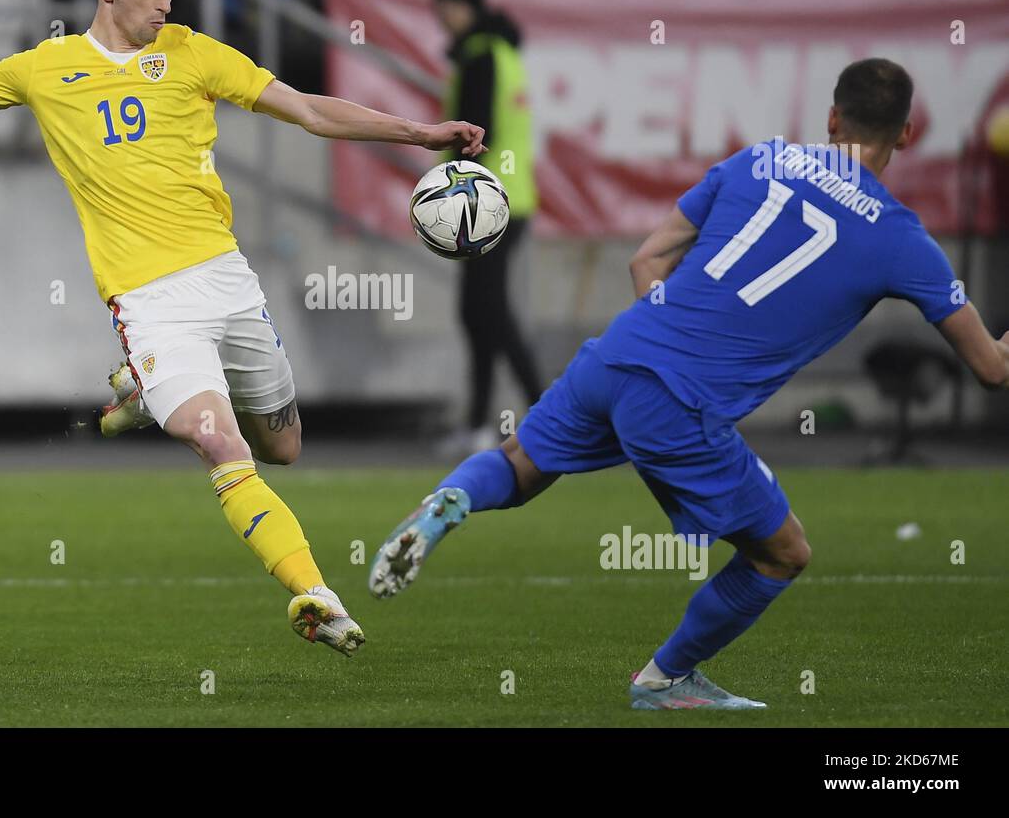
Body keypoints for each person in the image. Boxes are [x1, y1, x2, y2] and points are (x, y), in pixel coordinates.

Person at [0, 0, 485, 657]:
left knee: (286, 448)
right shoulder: (43, 69)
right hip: (149, 303)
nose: (165, 4)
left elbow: (308, 109)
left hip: (228, 284)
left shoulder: (195, 55)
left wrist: (418, 132)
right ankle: (316, 593)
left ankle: (142, 394)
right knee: (220, 442)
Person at [368, 59, 1009, 705]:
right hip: (681, 403)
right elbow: (991, 369)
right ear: (904, 137)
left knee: (520, 464)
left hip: (616, 354)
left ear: (832, 118)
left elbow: (644, 258)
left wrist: (662, 334)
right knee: (783, 553)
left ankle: (446, 503)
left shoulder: (758, 160)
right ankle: (664, 679)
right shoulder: (902, 239)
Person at [433, 0, 544, 455]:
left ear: (460, 5)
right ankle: (484, 421)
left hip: (484, 199)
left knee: (488, 313)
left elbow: (478, 136)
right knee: (481, 311)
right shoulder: (501, 52)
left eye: (443, 5)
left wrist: (441, 193)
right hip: (504, 196)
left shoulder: (480, 57)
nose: (440, 17)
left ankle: (543, 415)